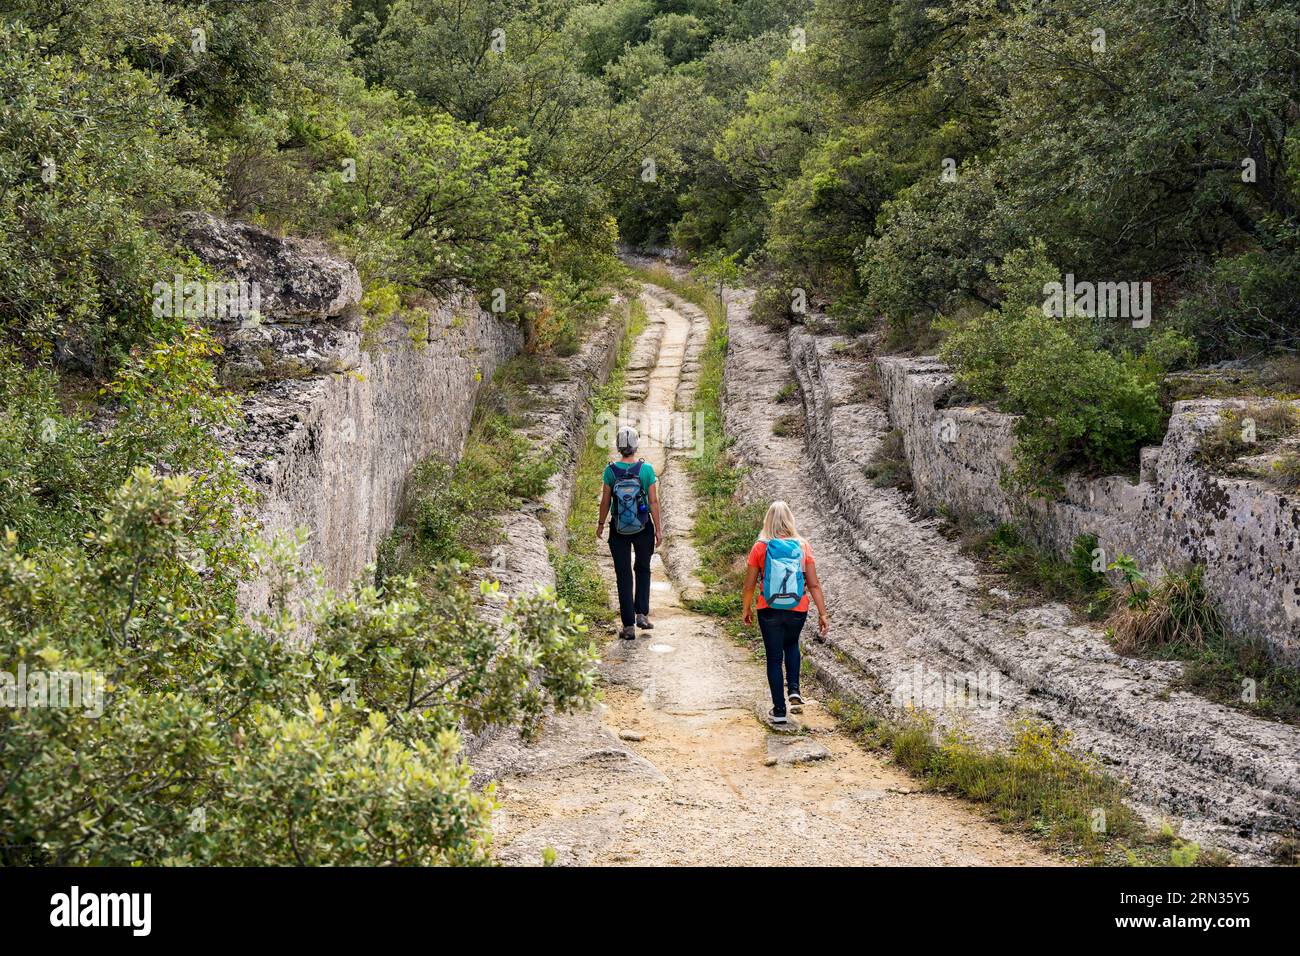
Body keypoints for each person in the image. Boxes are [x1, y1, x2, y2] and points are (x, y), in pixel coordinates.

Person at [741, 501, 830, 724]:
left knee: (773, 658)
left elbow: (749, 585)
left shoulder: (760, 547)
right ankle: (794, 690)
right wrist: (822, 613)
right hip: (797, 608)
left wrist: (746, 608)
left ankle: (779, 711)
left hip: (768, 608)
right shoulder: (803, 547)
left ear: (767, 520)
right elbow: (814, 584)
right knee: (792, 644)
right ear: (790, 519)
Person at [597, 426, 663, 640]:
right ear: (635, 446)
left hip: (619, 528)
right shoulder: (646, 470)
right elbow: (653, 501)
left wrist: (600, 524)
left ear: (618, 446)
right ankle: (642, 614)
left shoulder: (610, 471)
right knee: (643, 569)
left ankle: (628, 627)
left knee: (623, 575)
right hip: (643, 526)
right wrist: (658, 529)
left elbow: (606, 501)